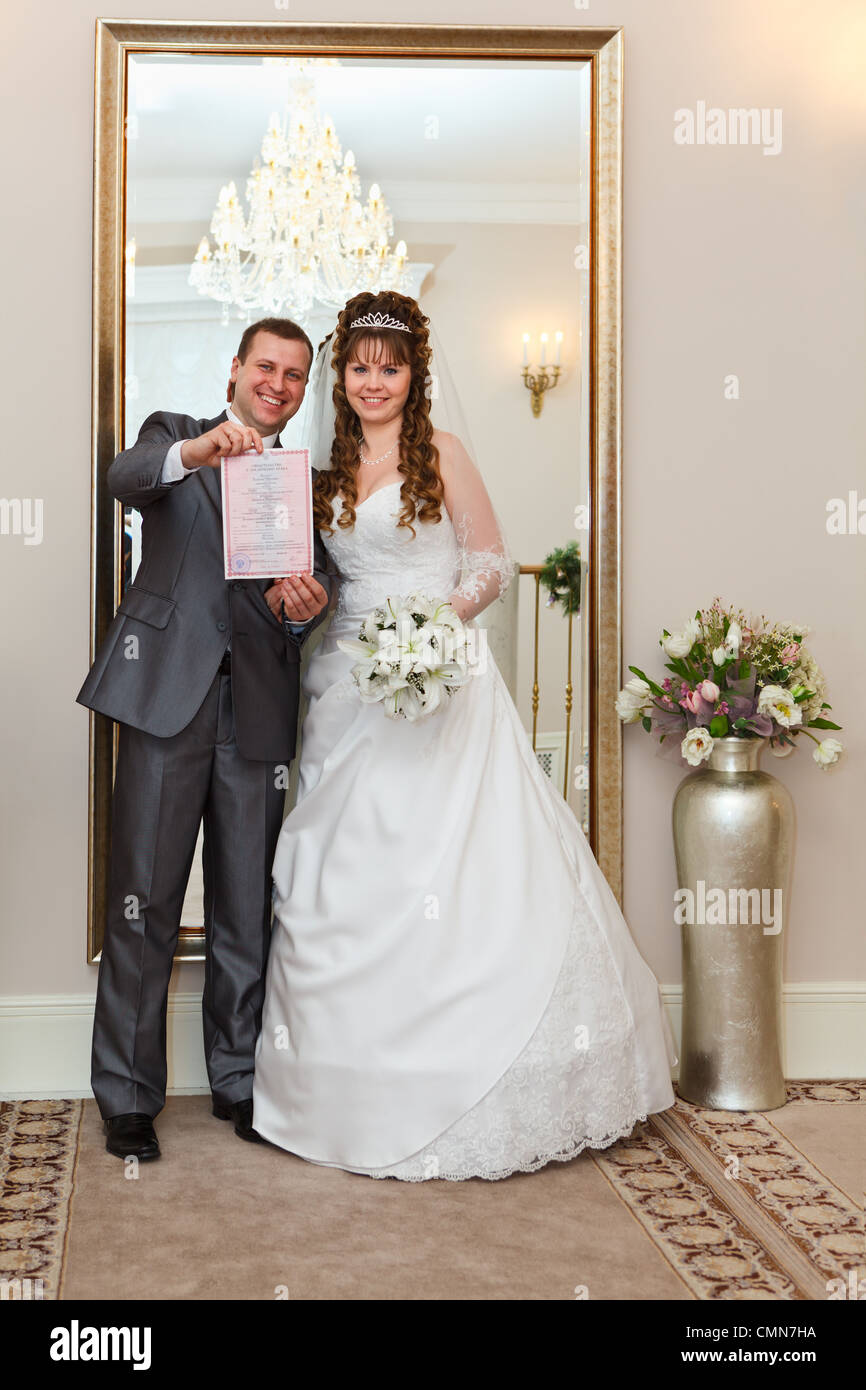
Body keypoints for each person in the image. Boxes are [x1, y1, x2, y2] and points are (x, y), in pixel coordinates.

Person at [251, 291, 677, 1181]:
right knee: (344, 868)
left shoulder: (442, 454)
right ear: (342, 378)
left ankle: (492, 1071)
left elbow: (488, 561)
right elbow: (308, 573)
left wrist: (431, 627)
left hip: (440, 675)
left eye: (391, 367)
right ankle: (343, 1086)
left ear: (415, 376)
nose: (374, 382)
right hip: (345, 686)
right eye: (360, 367)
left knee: (452, 866)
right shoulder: (319, 471)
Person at [77, 317, 334, 1161]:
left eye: (295, 375)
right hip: (166, 700)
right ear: (235, 370)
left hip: (255, 713)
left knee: (244, 912)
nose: (280, 384)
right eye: (267, 366)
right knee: (142, 903)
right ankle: (126, 1095)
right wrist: (199, 454)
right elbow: (123, 479)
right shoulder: (173, 437)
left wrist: (309, 606)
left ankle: (238, 1080)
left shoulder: (304, 482)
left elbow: (319, 584)